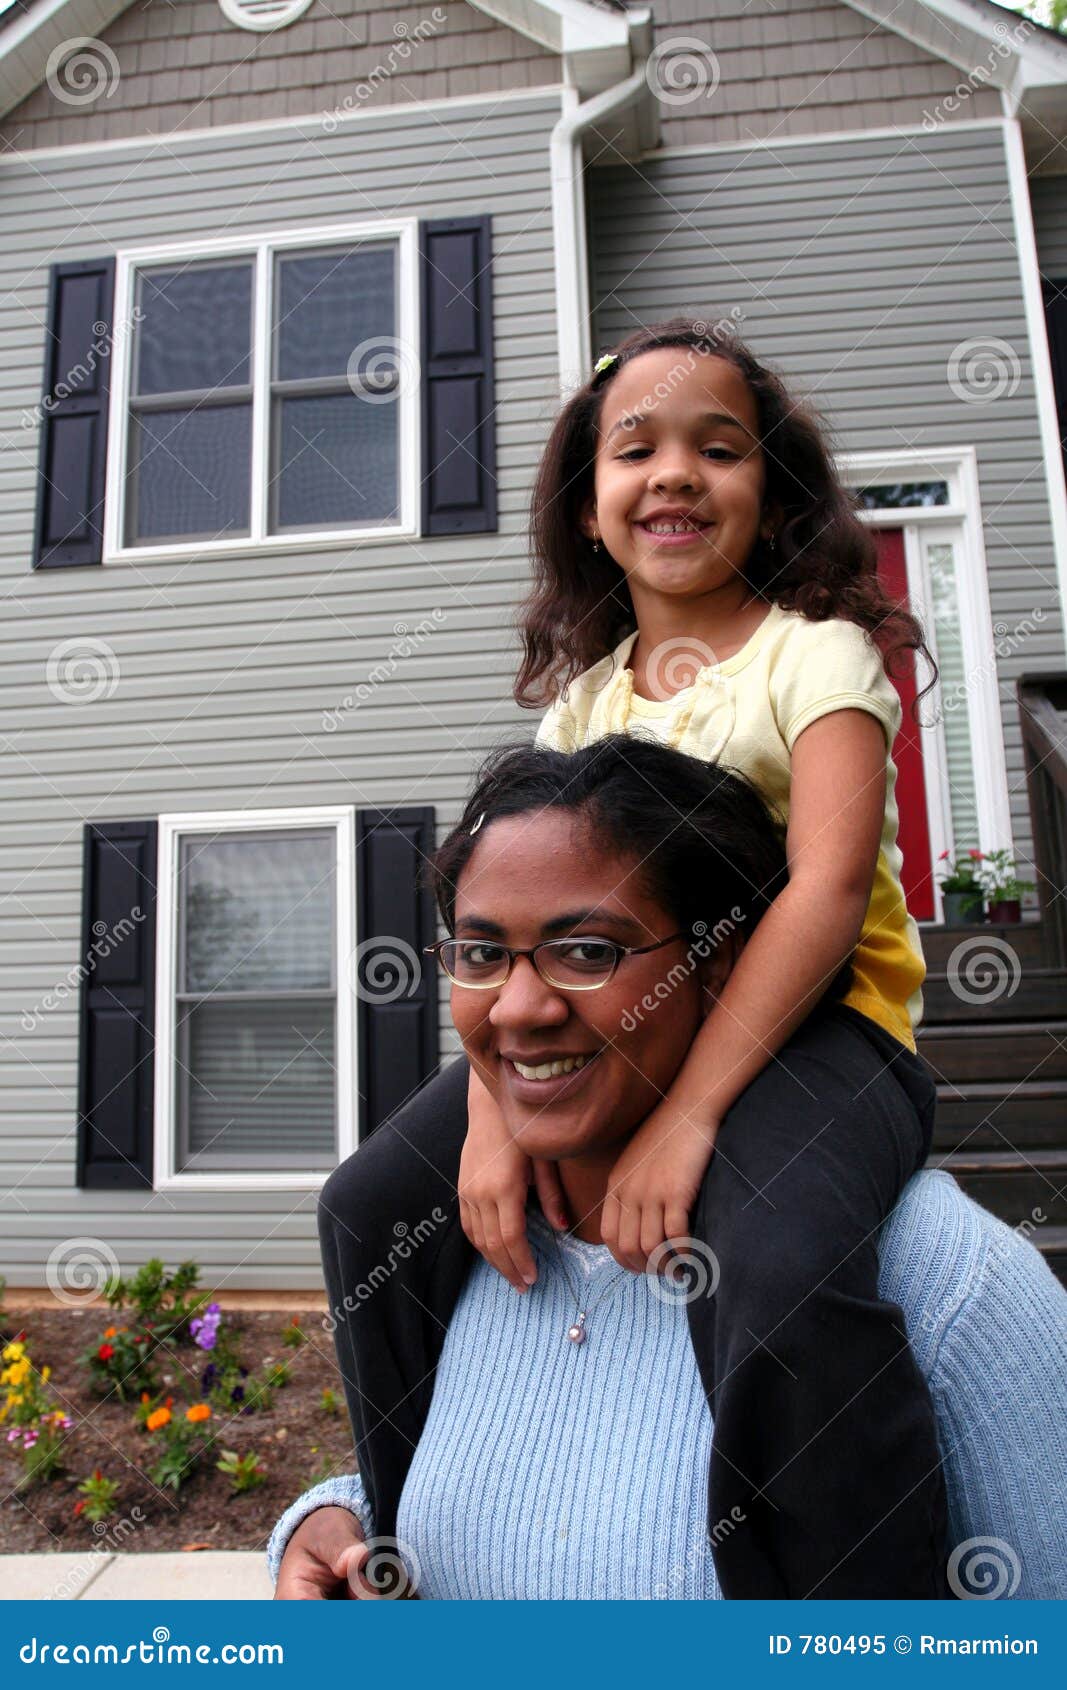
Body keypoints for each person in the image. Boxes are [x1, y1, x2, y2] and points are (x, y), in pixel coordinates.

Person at [269, 738, 1067, 1601]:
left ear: (718, 964)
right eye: (481, 953)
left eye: (587, 951)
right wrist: (328, 1521)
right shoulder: (454, 1239)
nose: (521, 1008)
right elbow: (505, 1505)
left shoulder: (947, 1286)